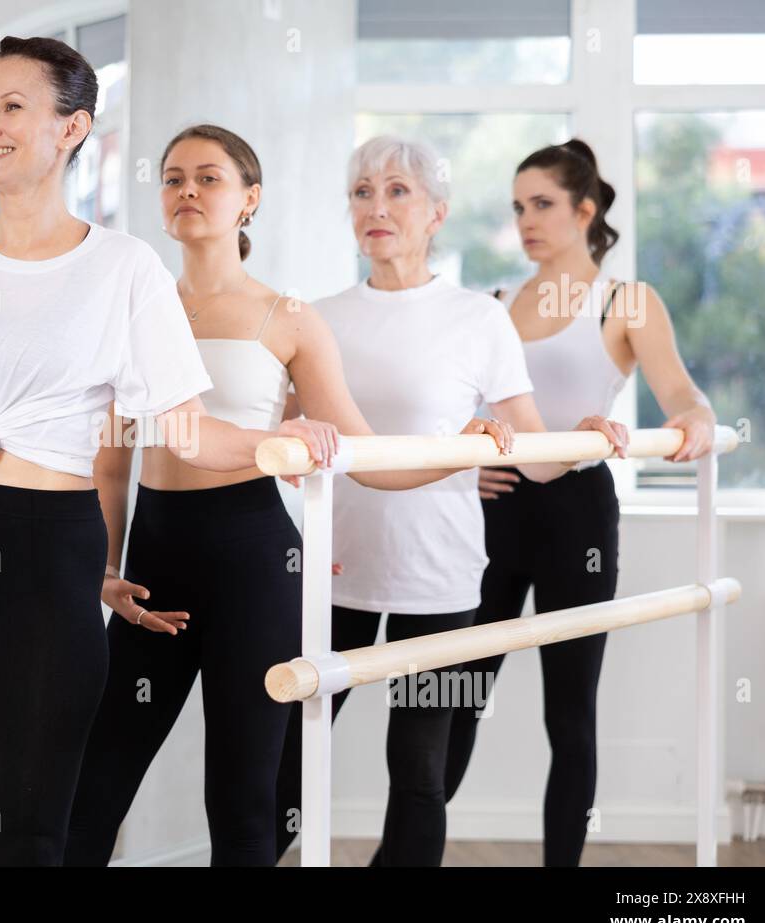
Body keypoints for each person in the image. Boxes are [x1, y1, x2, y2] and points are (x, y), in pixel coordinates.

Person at [0, 37, 339, 866]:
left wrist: (282, 440)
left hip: (50, 556)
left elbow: (184, 431)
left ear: (72, 128)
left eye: (14, 106)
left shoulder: (126, 270)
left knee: (29, 837)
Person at [65, 124, 512, 866]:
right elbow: (111, 465)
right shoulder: (135, 310)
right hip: (154, 567)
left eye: (209, 177)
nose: (187, 191)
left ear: (250, 199)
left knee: (246, 804)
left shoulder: (292, 319)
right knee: (94, 786)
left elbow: (363, 457)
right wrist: (106, 569)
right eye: (173, 178)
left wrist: (462, 450)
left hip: (257, 569)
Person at [272, 135, 629, 866]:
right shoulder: (316, 317)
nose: (378, 206)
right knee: (286, 767)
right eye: (363, 192)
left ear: (438, 213)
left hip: (442, 581)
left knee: (420, 774)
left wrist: (587, 438)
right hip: (334, 574)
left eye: (398, 191)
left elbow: (535, 459)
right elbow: (280, 433)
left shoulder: (479, 318)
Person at [443, 139, 717, 866]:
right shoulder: (493, 304)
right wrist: (464, 469)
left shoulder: (627, 302)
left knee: (570, 714)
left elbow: (682, 393)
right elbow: (463, 419)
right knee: (456, 696)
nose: (526, 219)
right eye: (517, 207)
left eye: (542, 204)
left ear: (584, 210)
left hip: (578, 518)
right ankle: (412, 850)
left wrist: (696, 418)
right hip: (495, 512)